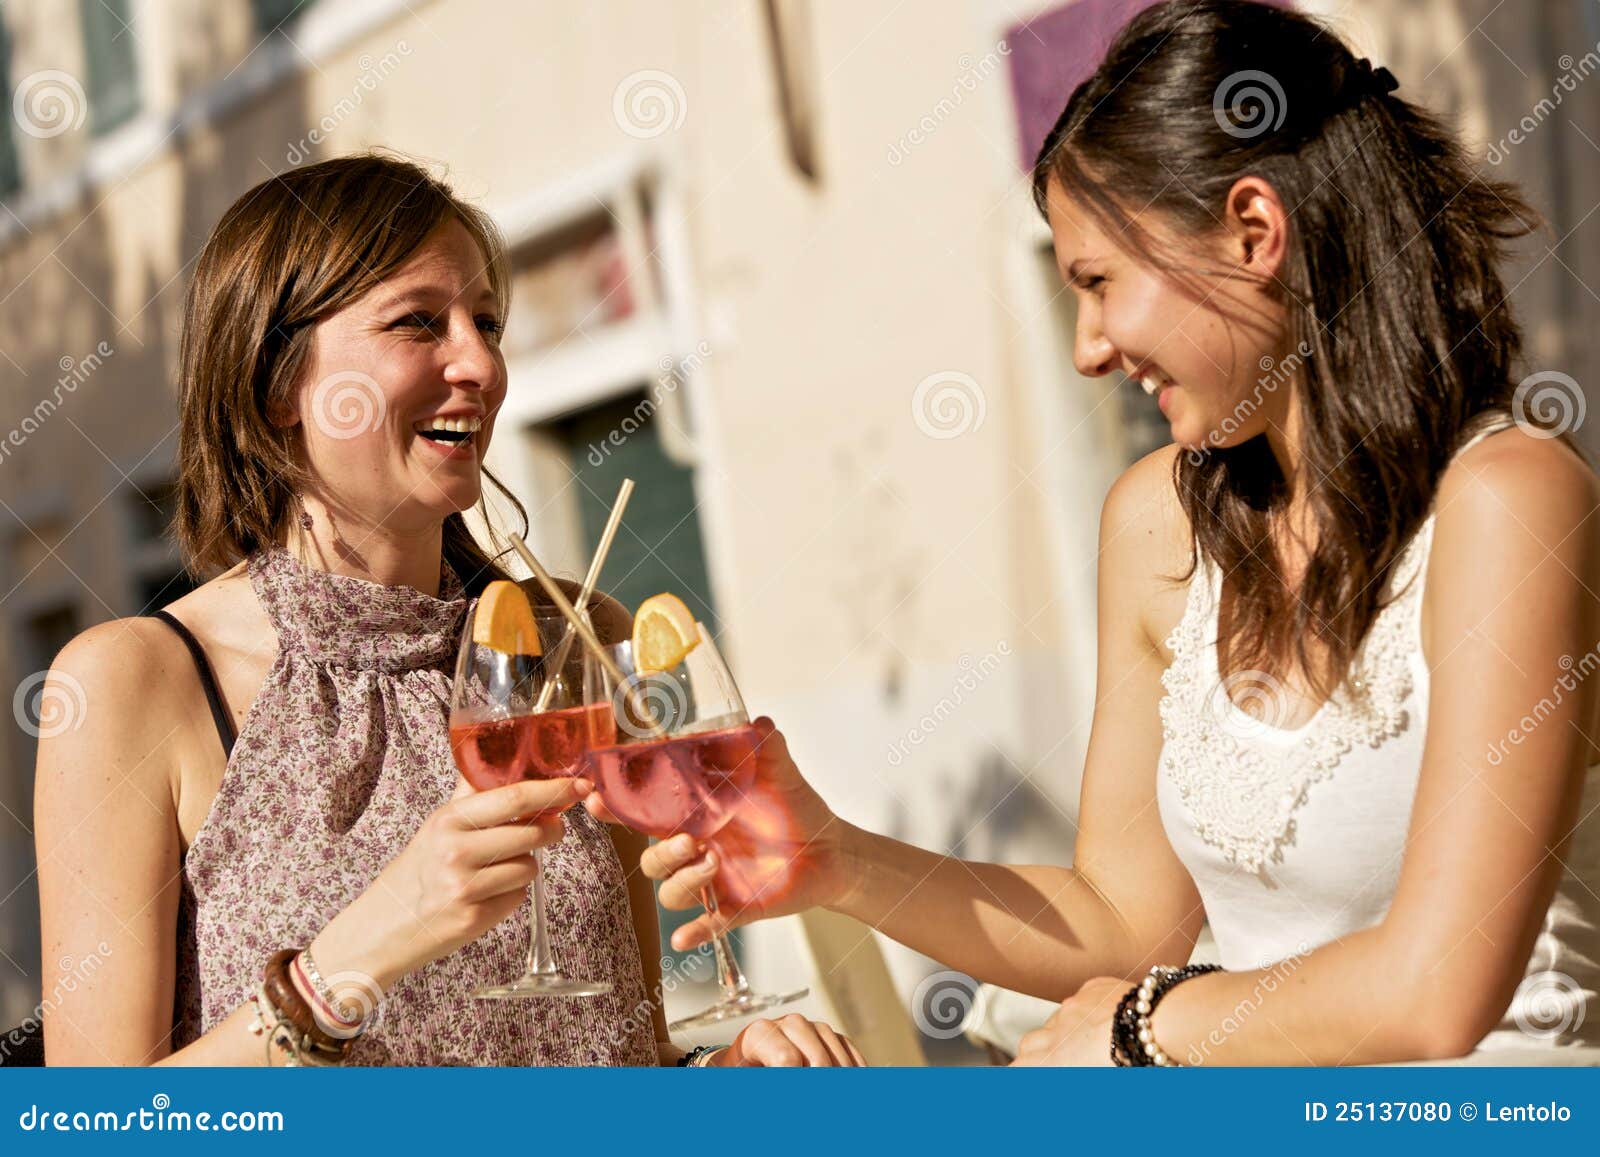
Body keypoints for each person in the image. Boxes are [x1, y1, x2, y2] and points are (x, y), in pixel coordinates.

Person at [618, 0, 1600, 1065]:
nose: (1087, 346)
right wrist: (839, 857)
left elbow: (1434, 990)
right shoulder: (1156, 523)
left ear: (1254, 232)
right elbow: (1123, 919)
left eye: (1097, 283)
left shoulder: (1505, 499)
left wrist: (1140, 1024)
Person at [32, 152, 862, 1068]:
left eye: (487, 322)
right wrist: (354, 956)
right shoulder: (135, 684)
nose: (480, 362)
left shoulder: (581, 644)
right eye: (419, 323)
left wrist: (721, 1076)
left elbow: (619, 1046)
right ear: (277, 386)